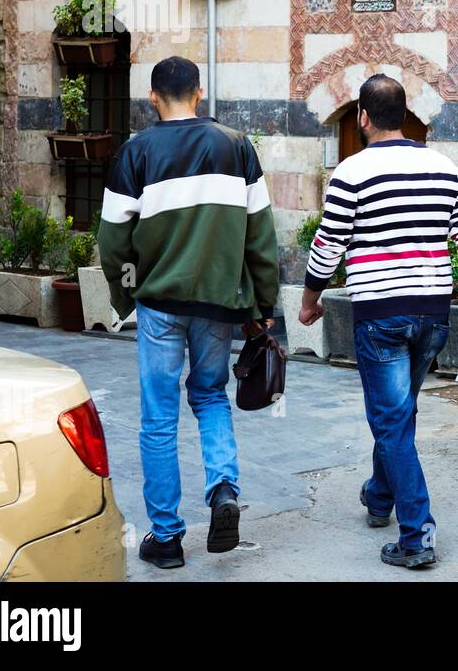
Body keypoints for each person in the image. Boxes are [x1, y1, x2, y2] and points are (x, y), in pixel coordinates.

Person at [299, 74, 458, 569]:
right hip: (432, 315)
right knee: (398, 413)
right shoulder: (444, 170)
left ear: (363, 117)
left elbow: (328, 245)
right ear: (406, 116)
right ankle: (379, 497)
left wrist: (309, 301)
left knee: (392, 419)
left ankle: (416, 535)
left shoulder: (351, 174)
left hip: (381, 314)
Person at [98, 56, 280, 568]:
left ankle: (167, 537)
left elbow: (112, 240)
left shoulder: (135, 152)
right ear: (198, 93)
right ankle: (223, 490)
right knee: (209, 395)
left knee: (158, 416)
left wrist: (125, 293)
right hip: (220, 304)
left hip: (159, 303)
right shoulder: (237, 146)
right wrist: (263, 305)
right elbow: (261, 236)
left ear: (153, 98)